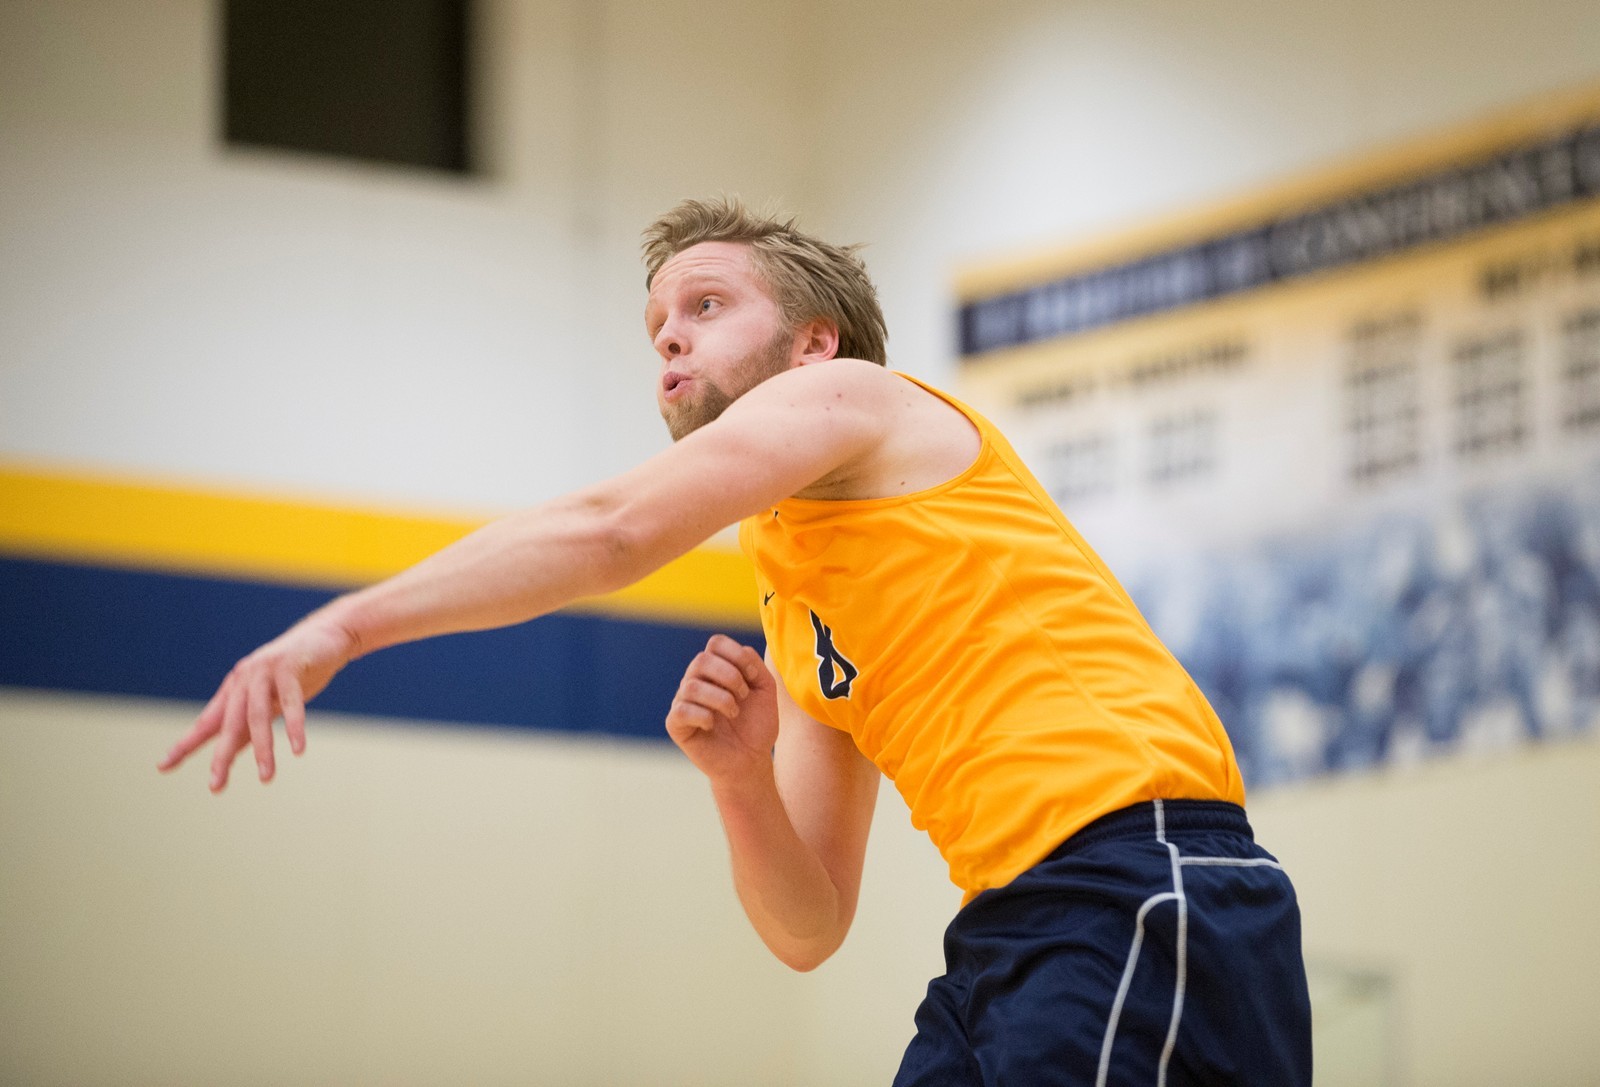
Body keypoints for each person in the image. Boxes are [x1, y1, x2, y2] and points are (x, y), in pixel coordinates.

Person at [160, 197, 1312, 1085]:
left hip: (1141, 879)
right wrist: (738, 778)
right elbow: (809, 927)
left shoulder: (858, 396)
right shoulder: (795, 585)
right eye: (657, 326)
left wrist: (340, 626)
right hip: (1012, 924)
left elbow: (611, 531)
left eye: (705, 305)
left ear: (814, 342)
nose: (669, 336)